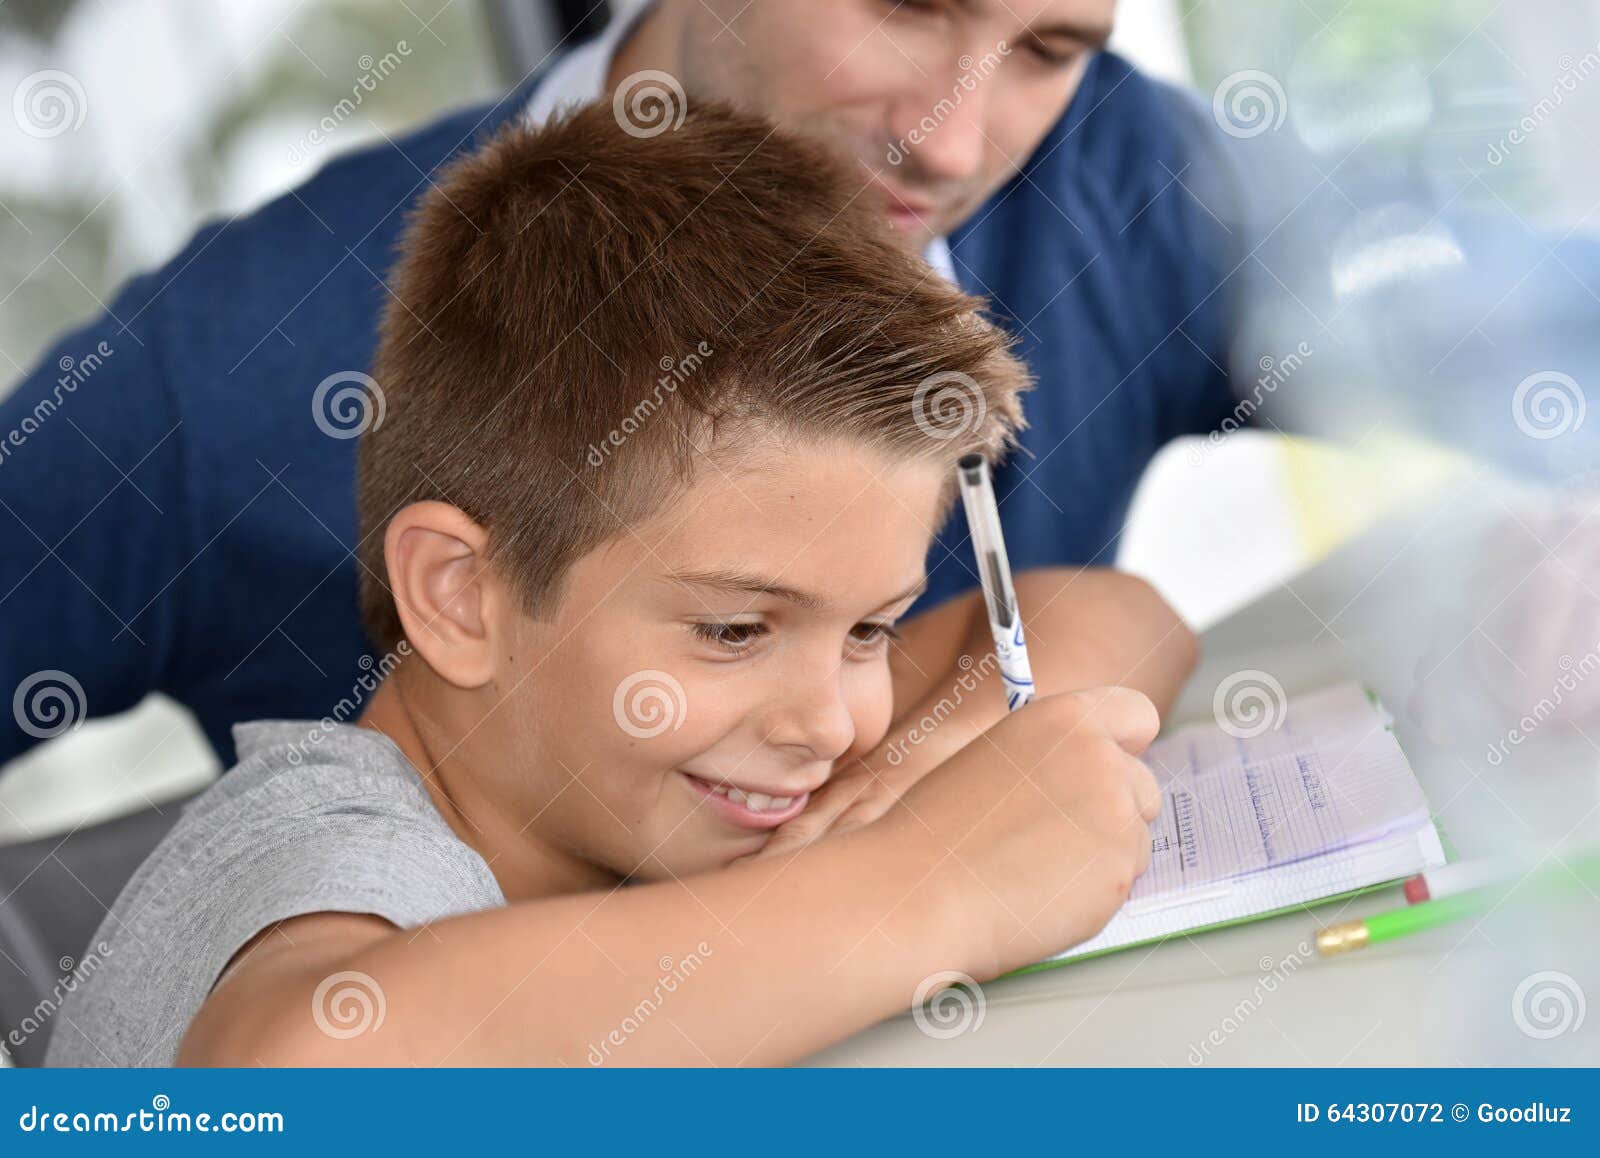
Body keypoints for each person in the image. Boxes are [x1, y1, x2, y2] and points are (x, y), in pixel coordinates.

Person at [45, 103, 1195, 1067]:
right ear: (459, 598)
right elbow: (296, 1077)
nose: (827, 723)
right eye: (737, 628)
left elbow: (1116, 618)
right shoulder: (342, 855)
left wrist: (914, 784)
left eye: (870, 632)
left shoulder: (713, 754)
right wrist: (925, 889)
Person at [0, 0, 1231, 781]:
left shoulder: (1118, 174)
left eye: (1050, 46)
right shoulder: (230, 362)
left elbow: (1422, 337)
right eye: (907, 4)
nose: (955, 145)